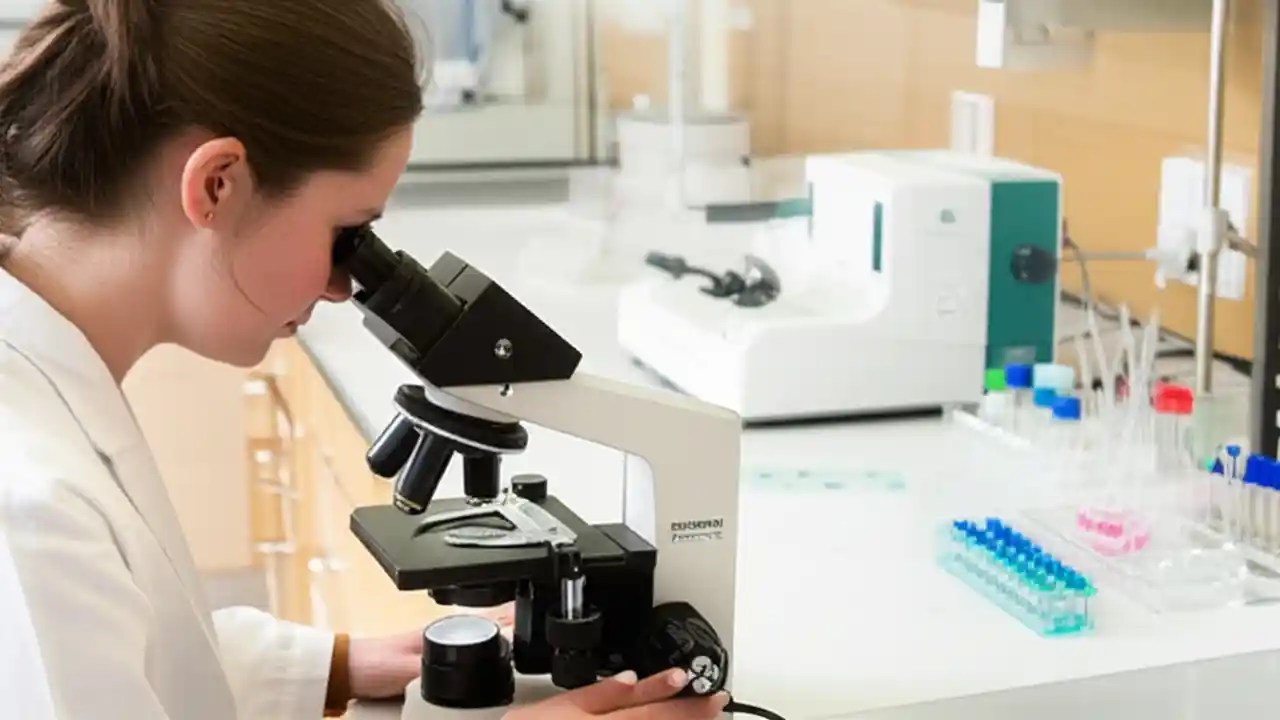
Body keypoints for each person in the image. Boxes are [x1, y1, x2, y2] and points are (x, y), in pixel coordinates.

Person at [0, 1, 731, 719]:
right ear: (216, 183)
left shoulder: (45, 382)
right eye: (347, 231)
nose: (345, 284)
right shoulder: (32, 512)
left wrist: (334, 666)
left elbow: (132, 659)